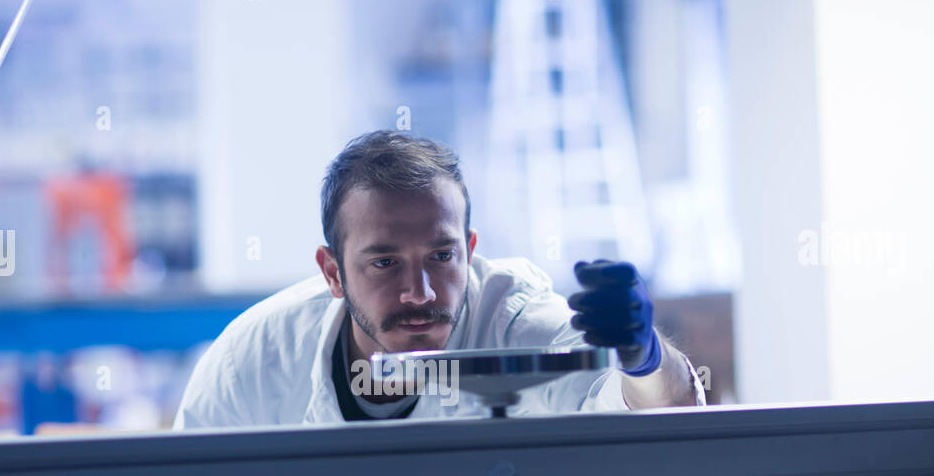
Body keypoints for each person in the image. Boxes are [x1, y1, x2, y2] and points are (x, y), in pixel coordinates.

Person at [175, 130, 703, 430]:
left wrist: (644, 357)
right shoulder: (258, 354)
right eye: (384, 263)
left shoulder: (513, 321)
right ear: (332, 272)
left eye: (441, 256)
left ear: (469, 253)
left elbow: (665, 419)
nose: (421, 293)